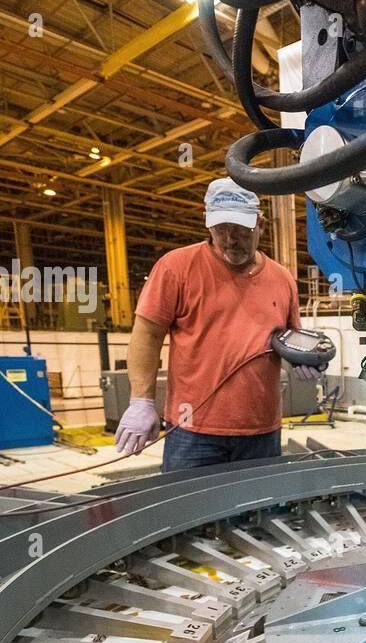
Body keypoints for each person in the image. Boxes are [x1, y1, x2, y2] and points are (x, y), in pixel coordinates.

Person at [114, 177, 322, 470]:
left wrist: (303, 360)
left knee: (259, 513)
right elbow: (147, 335)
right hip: (192, 430)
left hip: (261, 430)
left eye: (240, 229)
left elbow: (289, 338)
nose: (230, 239)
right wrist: (141, 402)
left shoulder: (282, 278)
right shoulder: (175, 267)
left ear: (260, 224)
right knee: (190, 511)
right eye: (220, 229)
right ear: (207, 223)